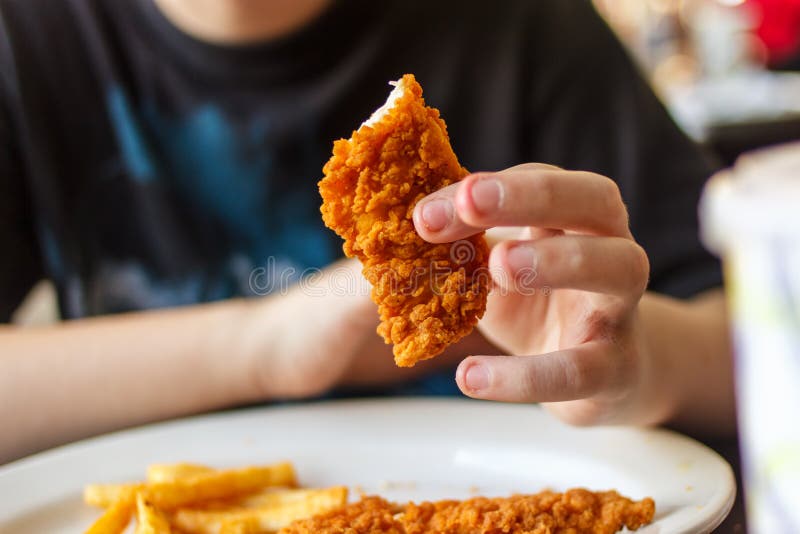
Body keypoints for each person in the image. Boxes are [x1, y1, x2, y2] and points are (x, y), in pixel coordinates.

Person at [0, 0, 734, 464]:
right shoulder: (26, 41)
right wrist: (263, 348)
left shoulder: (528, 26)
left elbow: (755, 341)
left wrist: (631, 368)